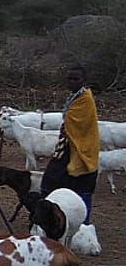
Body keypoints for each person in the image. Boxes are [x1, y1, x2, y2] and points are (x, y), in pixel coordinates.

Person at [41, 65, 99, 224]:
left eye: (76, 79)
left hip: (81, 148)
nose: (72, 82)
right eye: (69, 79)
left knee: (81, 186)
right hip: (67, 145)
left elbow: (80, 124)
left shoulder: (86, 99)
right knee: (51, 180)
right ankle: (52, 220)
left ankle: (83, 224)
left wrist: (68, 128)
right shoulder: (75, 97)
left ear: (84, 81)